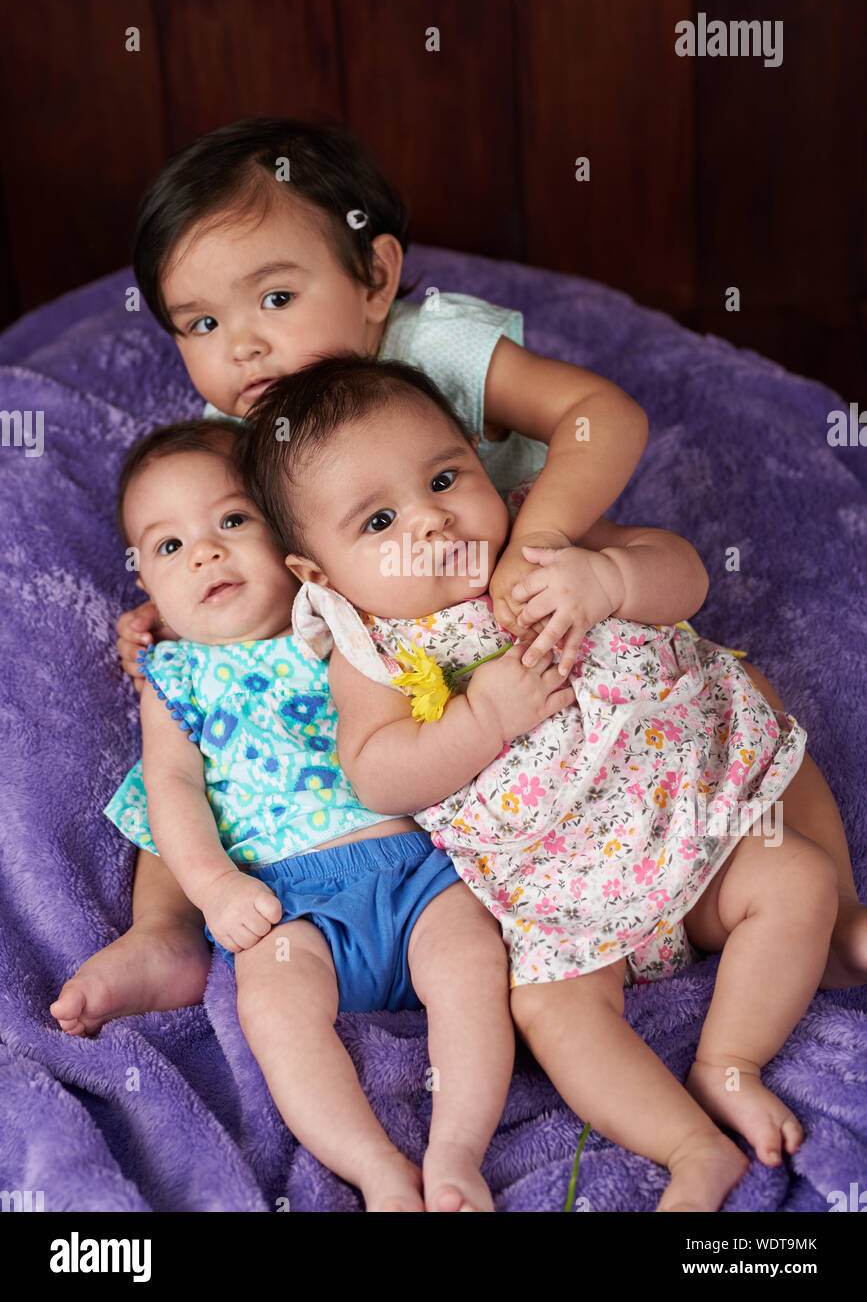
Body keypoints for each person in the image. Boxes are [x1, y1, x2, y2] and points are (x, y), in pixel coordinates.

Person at [51, 114, 649, 1037]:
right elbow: (260, 558)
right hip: (407, 691)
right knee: (196, 747)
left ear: (374, 278)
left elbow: (597, 414)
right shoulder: (256, 435)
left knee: (718, 681)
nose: (242, 346)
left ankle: (829, 902)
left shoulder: (436, 355)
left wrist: (544, 545)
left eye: (275, 299)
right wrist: (181, 603)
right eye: (203, 323)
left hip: (519, 589)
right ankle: (167, 929)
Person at [243, 353, 856, 1211]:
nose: (430, 520)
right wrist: (479, 721)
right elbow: (376, 772)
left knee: (795, 875)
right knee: (548, 1012)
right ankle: (689, 1151)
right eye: (378, 520)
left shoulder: (542, 535)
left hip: (690, 816)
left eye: (445, 477)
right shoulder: (371, 649)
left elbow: (686, 574)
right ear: (320, 575)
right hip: (565, 904)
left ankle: (729, 1061)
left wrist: (608, 578)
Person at [98, 415, 552, 1211]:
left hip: (419, 875)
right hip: (285, 903)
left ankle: (455, 1154)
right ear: (146, 585)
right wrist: (211, 888)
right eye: (169, 547)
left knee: (473, 966)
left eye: (232, 521)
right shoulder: (174, 677)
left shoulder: (346, 620)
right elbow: (171, 791)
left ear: (295, 540)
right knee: (271, 1008)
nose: (204, 551)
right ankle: (373, 1167)